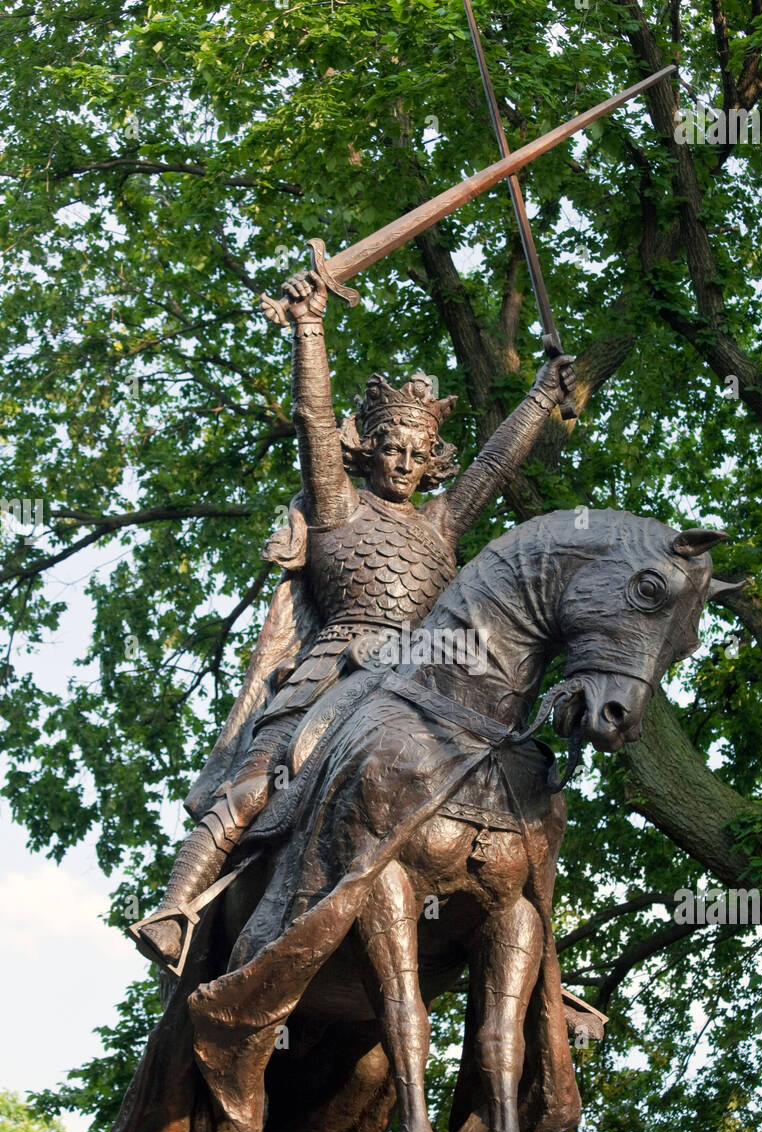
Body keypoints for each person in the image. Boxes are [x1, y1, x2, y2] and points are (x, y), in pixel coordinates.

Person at [133, 268, 576, 969]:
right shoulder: (337, 505)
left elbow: (492, 465)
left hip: (426, 685)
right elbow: (314, 421)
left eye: (417, 452)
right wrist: (310, 327)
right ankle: (176, 909)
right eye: (392, 447)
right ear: (368, 449)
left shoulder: (439, 527)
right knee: (258, 784)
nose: (403, 460)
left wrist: (544, 395)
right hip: (335, 669)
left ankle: (541, 961)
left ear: (432, 462)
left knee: (523, 780)